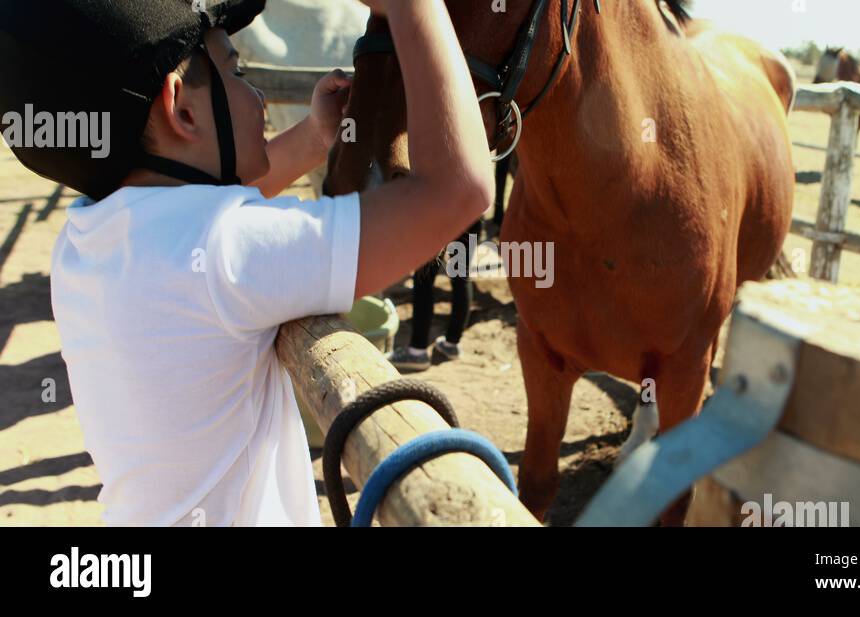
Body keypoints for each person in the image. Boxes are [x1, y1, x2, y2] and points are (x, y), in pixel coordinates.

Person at [0, 0, 493, 526]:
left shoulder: (85, 241)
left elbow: (197, 217)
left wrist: (312, 135)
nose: (257, 94)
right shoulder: (224, 249)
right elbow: (456, 192)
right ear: (182, 110)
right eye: (238, 71)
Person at [389, 220, 481, 371]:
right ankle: (452, 344)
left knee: (423, 280)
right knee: (461, 278)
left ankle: (417, 351)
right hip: (471, 214)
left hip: (439, 217)